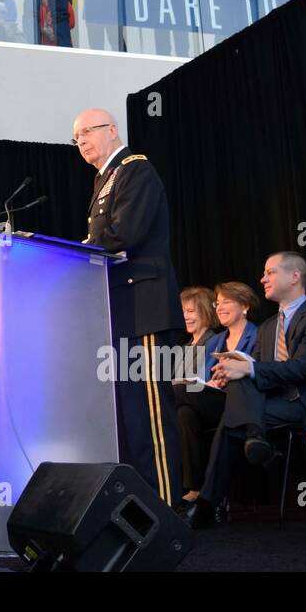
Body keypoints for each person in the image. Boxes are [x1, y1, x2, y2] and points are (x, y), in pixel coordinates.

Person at [73, 109, 185, 505]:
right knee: (131, 417)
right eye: (76, 137)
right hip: (121, 310)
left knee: (153, 415)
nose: (81, 140)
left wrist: (76, 252)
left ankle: (167, 509)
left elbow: (126, 234)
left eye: (87, 131)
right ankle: (141, 508)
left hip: (147, 307)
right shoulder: (104, 178)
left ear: (112, 129)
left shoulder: (135, 169)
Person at [183, 253, 306, 528]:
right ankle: (254, 437)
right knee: (238, 385)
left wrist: (247, 369)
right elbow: (256, 369)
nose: (262, 278)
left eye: (270, 272)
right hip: (272, 403)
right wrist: (229, 371)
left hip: (305, 404)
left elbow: (300, 369)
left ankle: (206, 502)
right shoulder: (269, 327)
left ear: (294, 276)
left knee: (232, 416)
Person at [173, 284, 256, 504]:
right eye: (183, 311)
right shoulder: (214, 342)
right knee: (184, 414)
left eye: (191, 311)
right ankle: (194, 489)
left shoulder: (254, 334)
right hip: (206, 400)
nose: (186, 317)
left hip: (237, 402)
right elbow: (210, 375)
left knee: (173, 394)